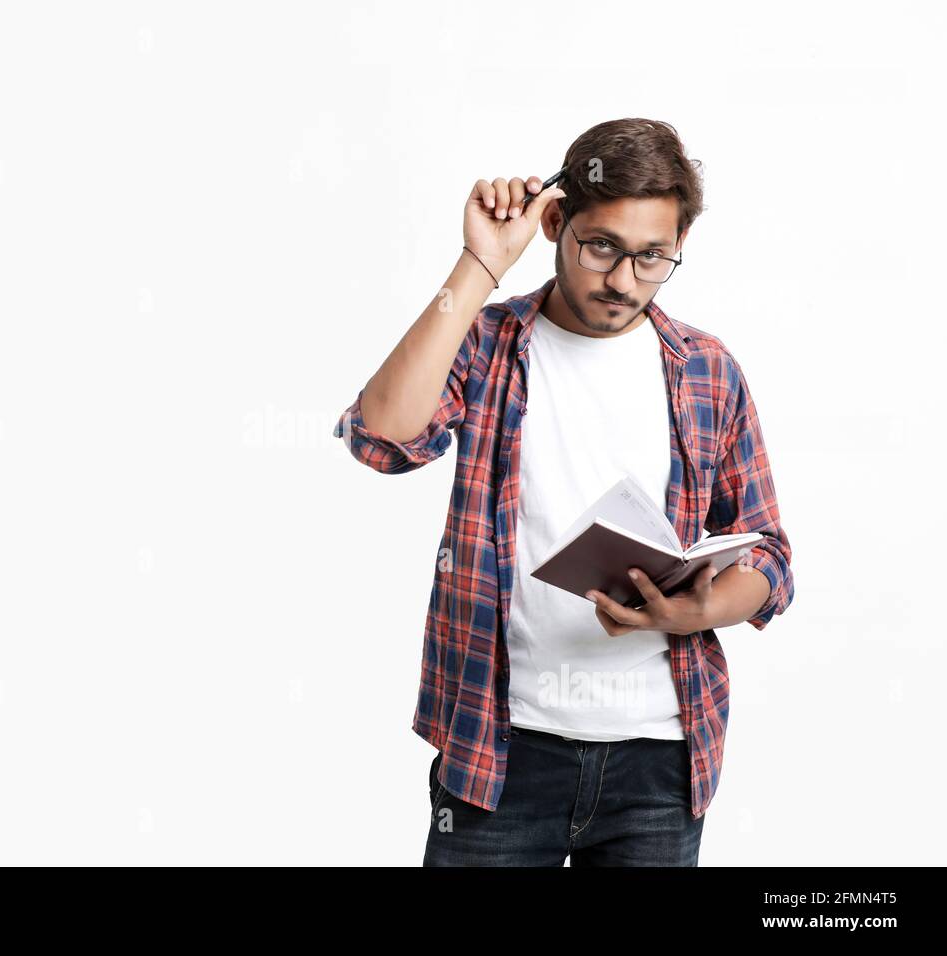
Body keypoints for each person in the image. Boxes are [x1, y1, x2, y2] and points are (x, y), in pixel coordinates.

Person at [332, 118, 795, 866]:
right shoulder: (486, 343)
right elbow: (379, 438)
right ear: (555, 223)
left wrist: (699, 609)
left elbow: (769, 555)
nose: (622, 281)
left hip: (660, 760)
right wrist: (481, 263)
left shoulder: (707, 369)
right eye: (601, 246)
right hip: (499, 753)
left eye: (652, 257)